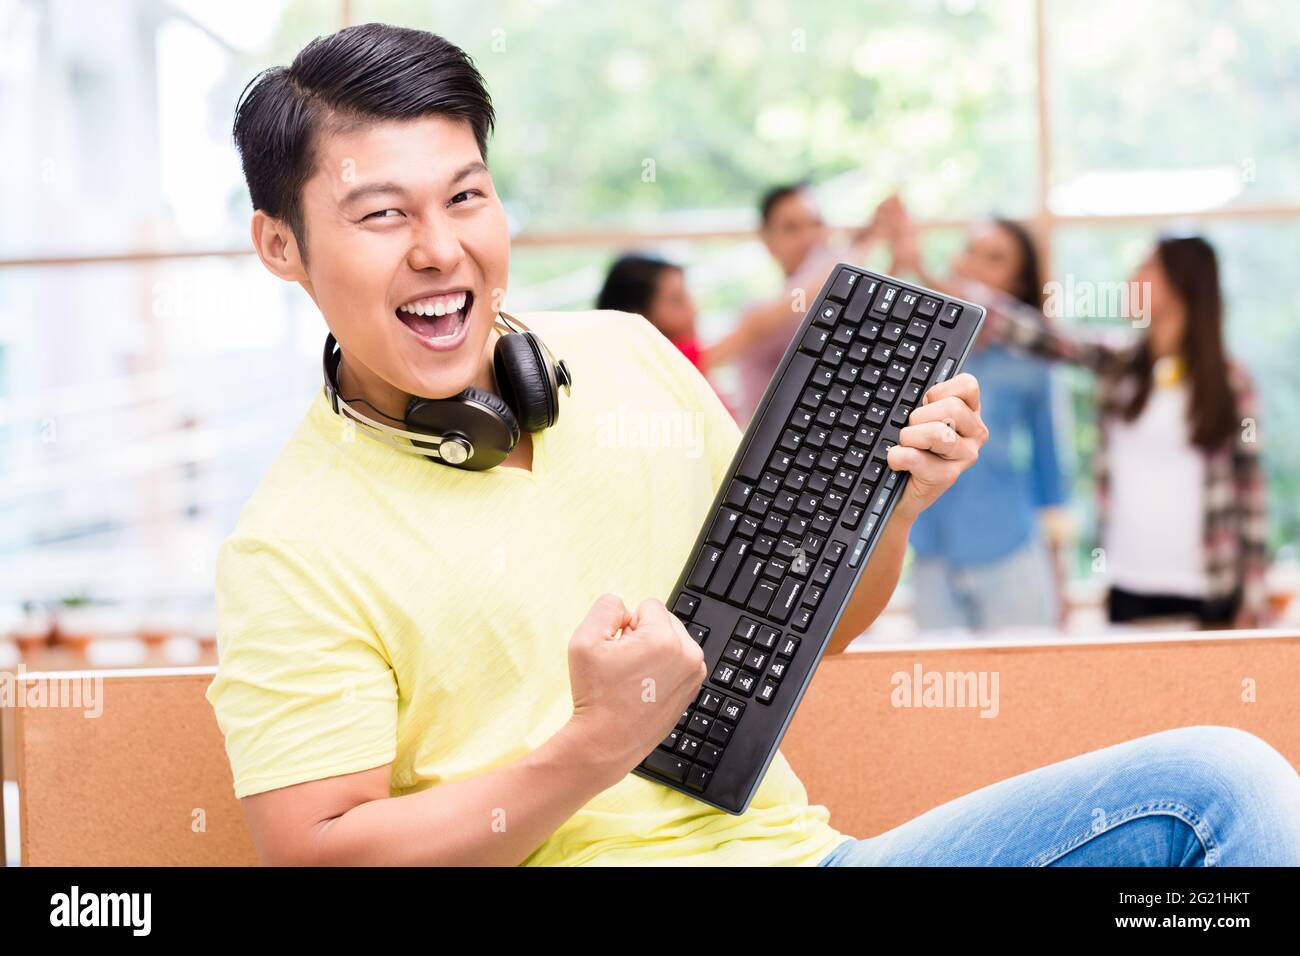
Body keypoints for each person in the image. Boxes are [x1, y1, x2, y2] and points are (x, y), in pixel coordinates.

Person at [205, 23, 1299, 866]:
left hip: (803, 854)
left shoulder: (626, 358)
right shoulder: (293, 545)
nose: (440, 250)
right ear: (280, 245)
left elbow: (817, 629)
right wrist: (591, 744)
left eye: (465, 197)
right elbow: (319, 851)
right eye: (383, 215)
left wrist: (895, 508)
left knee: (1222, 786)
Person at [927, 226, 1270, 630]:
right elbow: (1039, 336)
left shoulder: (1231, 382)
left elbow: (1251, 495)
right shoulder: (1120, 363)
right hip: (1129, 582)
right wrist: (944, 281)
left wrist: (1253, 595)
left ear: (1182, 282)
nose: (1132, 280)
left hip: (1209, 587)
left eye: (1147, 269)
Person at [890, 216, 1072, 632]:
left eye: (995, 258)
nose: (976, 265)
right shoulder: (925, 347)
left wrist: (1058, 576)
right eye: (971, 250)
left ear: (1018, 279)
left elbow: (1051, 468)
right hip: (932, 555)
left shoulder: (1033, 360)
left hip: (1009, 552)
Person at [710, 183, 896, 423]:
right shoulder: (761, 314)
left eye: (816, 224)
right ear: (767, 240)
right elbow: (819, 287)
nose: (809, 238)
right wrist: (871, 239)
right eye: (791, 228)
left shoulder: (827, 294)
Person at [594, 253, 737, 417]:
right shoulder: (668, 367)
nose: (693, 311)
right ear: (638, 315)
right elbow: (752, 331)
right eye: (677, 301)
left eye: (687, 296)